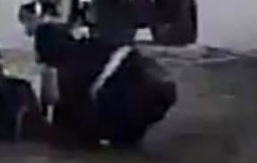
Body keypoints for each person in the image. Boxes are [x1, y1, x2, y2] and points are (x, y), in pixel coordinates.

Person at [35, 24, 177, 149]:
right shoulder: (90, 47)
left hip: (127, 98)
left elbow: (67, 118)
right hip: (141, 85)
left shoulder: (67, 69)